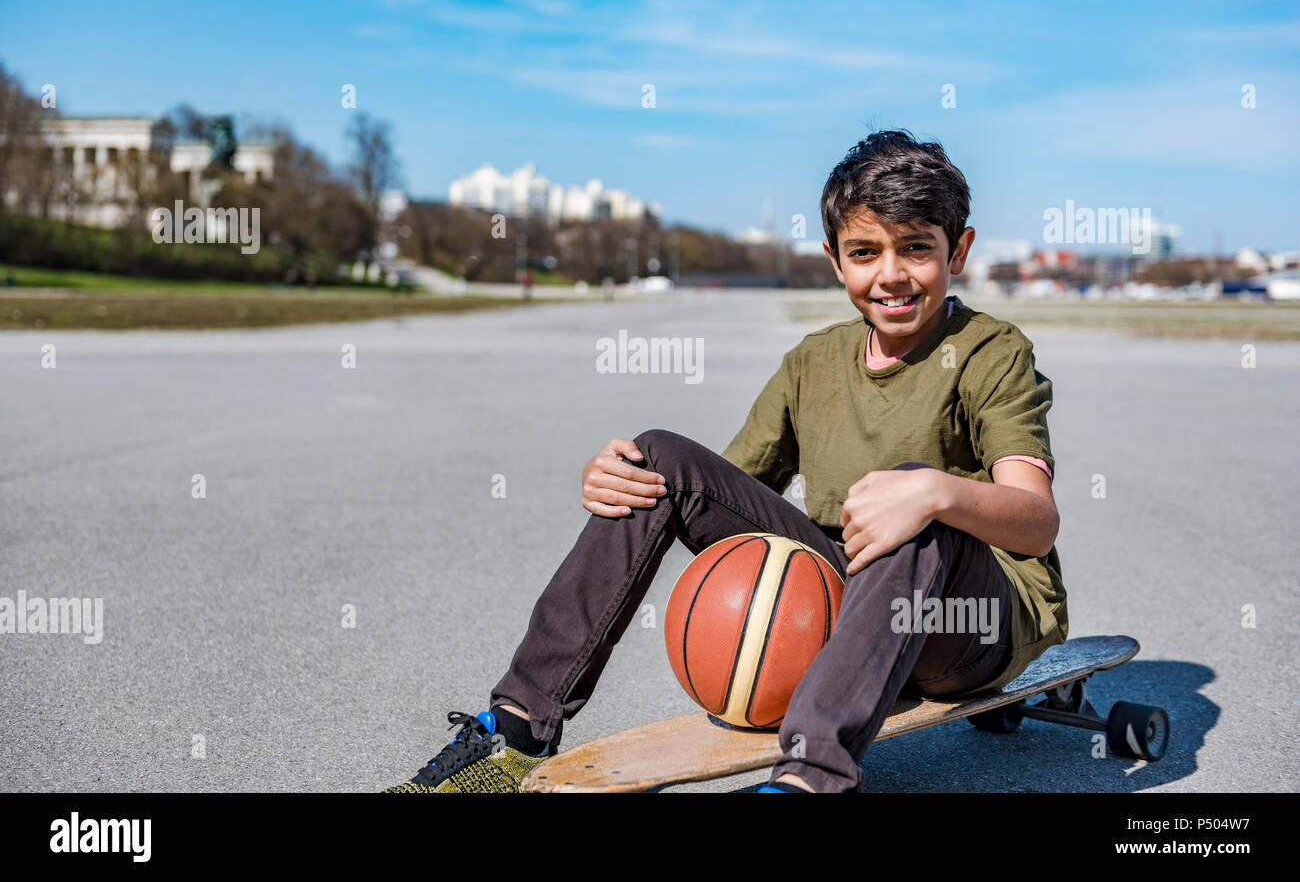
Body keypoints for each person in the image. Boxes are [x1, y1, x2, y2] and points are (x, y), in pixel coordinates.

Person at [385, 130, 1067, 793]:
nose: (890, 273)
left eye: (917, 248)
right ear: (835, 259)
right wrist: (621, 479)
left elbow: (1036, 521)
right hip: (854, 594)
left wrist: (935, 494)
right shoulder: (814, 361)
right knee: (657, 458)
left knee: (912, 505)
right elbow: (718, 495)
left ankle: (811, 776)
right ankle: (516, 728)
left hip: (971, 619)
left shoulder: (990, 350)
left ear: (960, 248)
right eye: (865, 252)